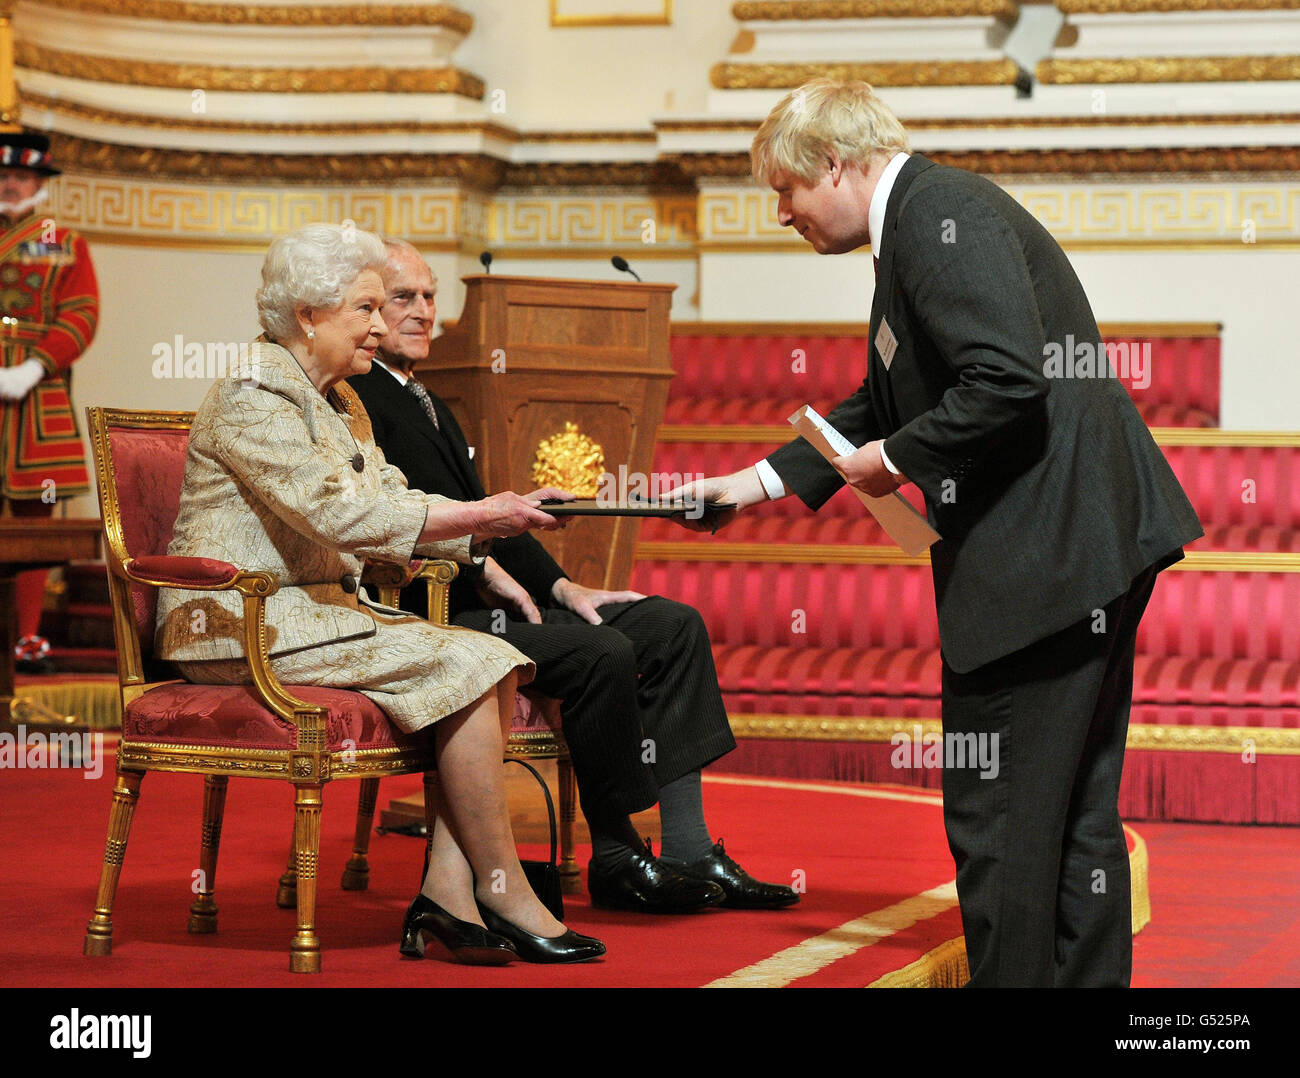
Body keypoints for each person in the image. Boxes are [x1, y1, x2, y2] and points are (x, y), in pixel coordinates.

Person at [672, 79, 1203, 987]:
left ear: (832, 164)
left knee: (1000, 817)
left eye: (785, 191)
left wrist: (895, 458)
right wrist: (752, 483)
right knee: (1069, 812)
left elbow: (1004, 382)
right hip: (1080, 549)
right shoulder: (923, 221)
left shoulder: (935, 217)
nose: (782, 214)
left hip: (1045, 561)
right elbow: (883, 398)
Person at [154, 223, 604, 965]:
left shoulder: (339, 403)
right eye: (364, 308)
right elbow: (342, 513)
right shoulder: (252, 394)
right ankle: (504, 889)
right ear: (307, 314)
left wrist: (493, 526)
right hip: (235, 620)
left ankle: (451, 898)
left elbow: (392, 496)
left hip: (313, 612)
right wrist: (482, 512)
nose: (379, 324)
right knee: (473, 662)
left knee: (488, 658)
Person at [347, 240, 799, 913]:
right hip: (433, 612)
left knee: (672, 627)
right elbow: (404, 522)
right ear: (370, 312)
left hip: (502, 600)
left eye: (429, 296)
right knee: (600, 650)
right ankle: (617, 857)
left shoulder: (425, 397)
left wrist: (565, 589)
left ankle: (691, 848)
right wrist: (489, 546)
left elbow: (485, 517)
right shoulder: (355, 399)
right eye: (402, 297)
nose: (422, 312)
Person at [0, 132, 99, 670]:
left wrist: (34, 366)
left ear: (39, 182)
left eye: (21, 176)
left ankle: (27, 637)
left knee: (33, 518)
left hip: (35, 394)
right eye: (4, 176)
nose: (11, 184)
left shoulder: (61, 241)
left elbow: (81, 313)